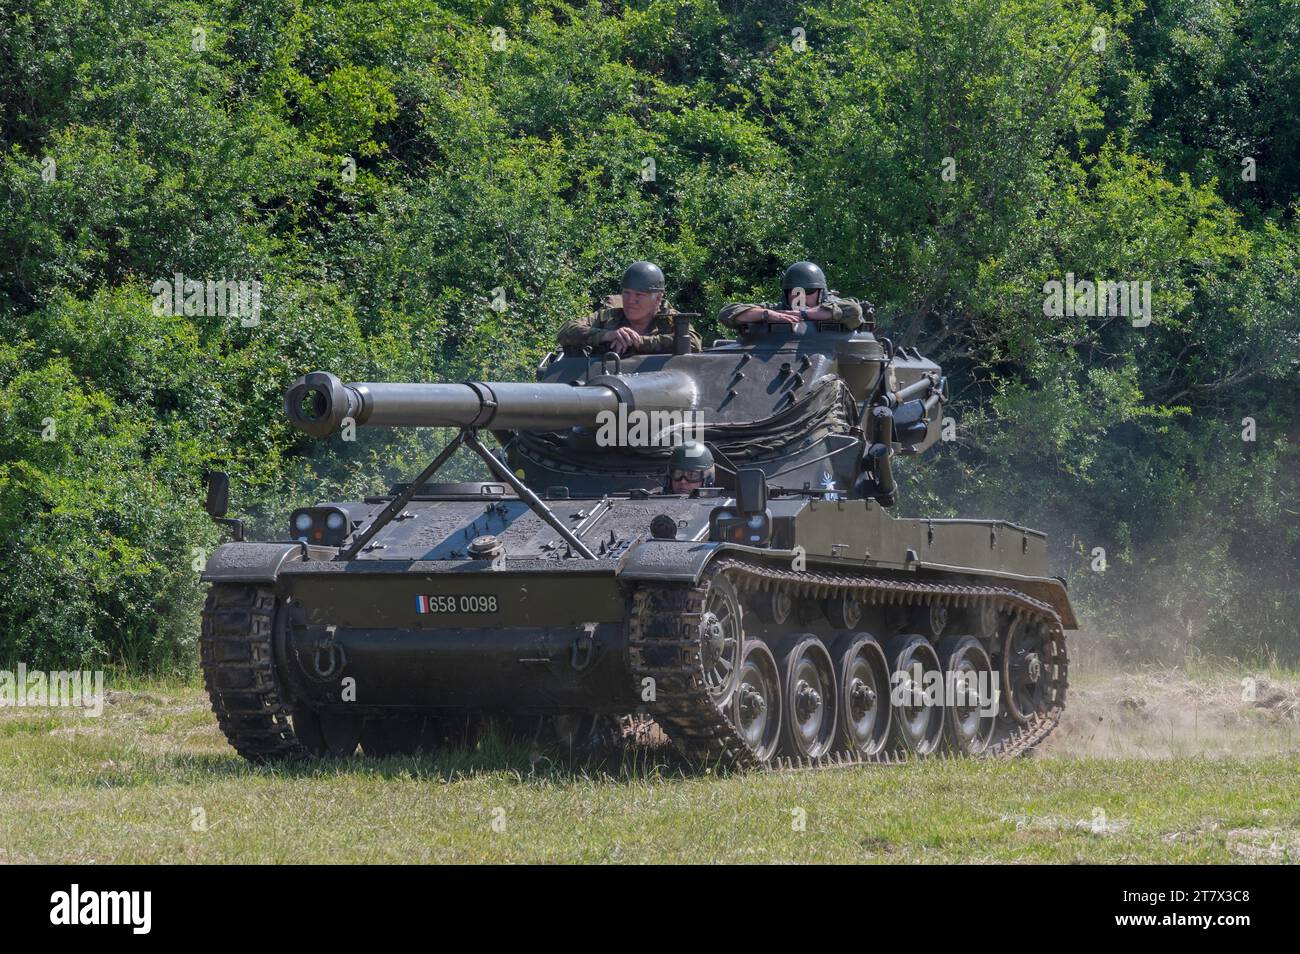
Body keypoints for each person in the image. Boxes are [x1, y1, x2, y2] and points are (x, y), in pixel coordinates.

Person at [558, 261, 702, 355]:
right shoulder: (610, 316)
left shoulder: (672, 320)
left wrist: (638, 342)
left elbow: (693, 344)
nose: (630, 300)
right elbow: (565, 330)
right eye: (626, 293)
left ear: (658, 298)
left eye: (639, 295)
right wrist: (607, 335)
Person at [717, 261, 871, 330]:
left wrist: (803, 314)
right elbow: (727, 313)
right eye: (795, 292)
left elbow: (854, 311)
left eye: (809, 292)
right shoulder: (779, 310)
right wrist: (768, 315)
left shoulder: (836, 306)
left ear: (820, 292)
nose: (801, 298)